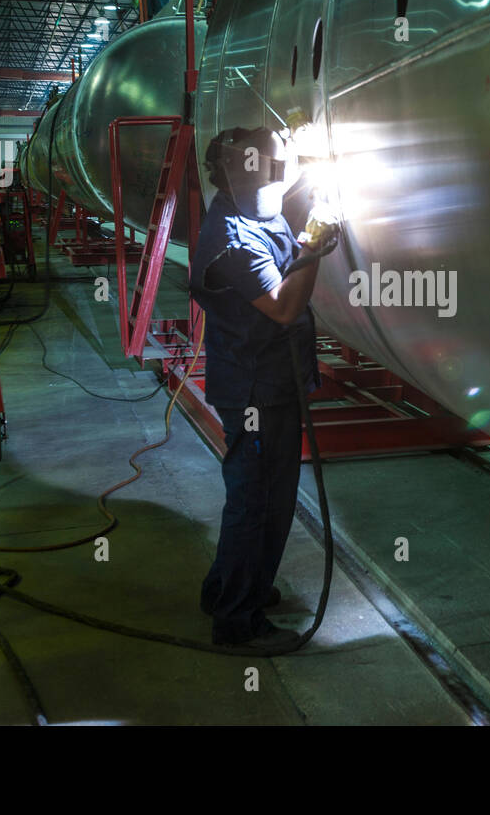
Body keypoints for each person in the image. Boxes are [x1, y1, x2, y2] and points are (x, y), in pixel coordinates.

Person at [188, 126, 338, 650]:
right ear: (248, 176)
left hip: (268, 379)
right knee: (259, 503)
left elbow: (285, 189)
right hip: (256, 391)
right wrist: (314, 245)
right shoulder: (233, 243)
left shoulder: (247, 206)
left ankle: (225, 589)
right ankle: (236, 621)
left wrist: (301, 147)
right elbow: (283, 307)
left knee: (259, 498)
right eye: (275, 171)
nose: (283, 180)